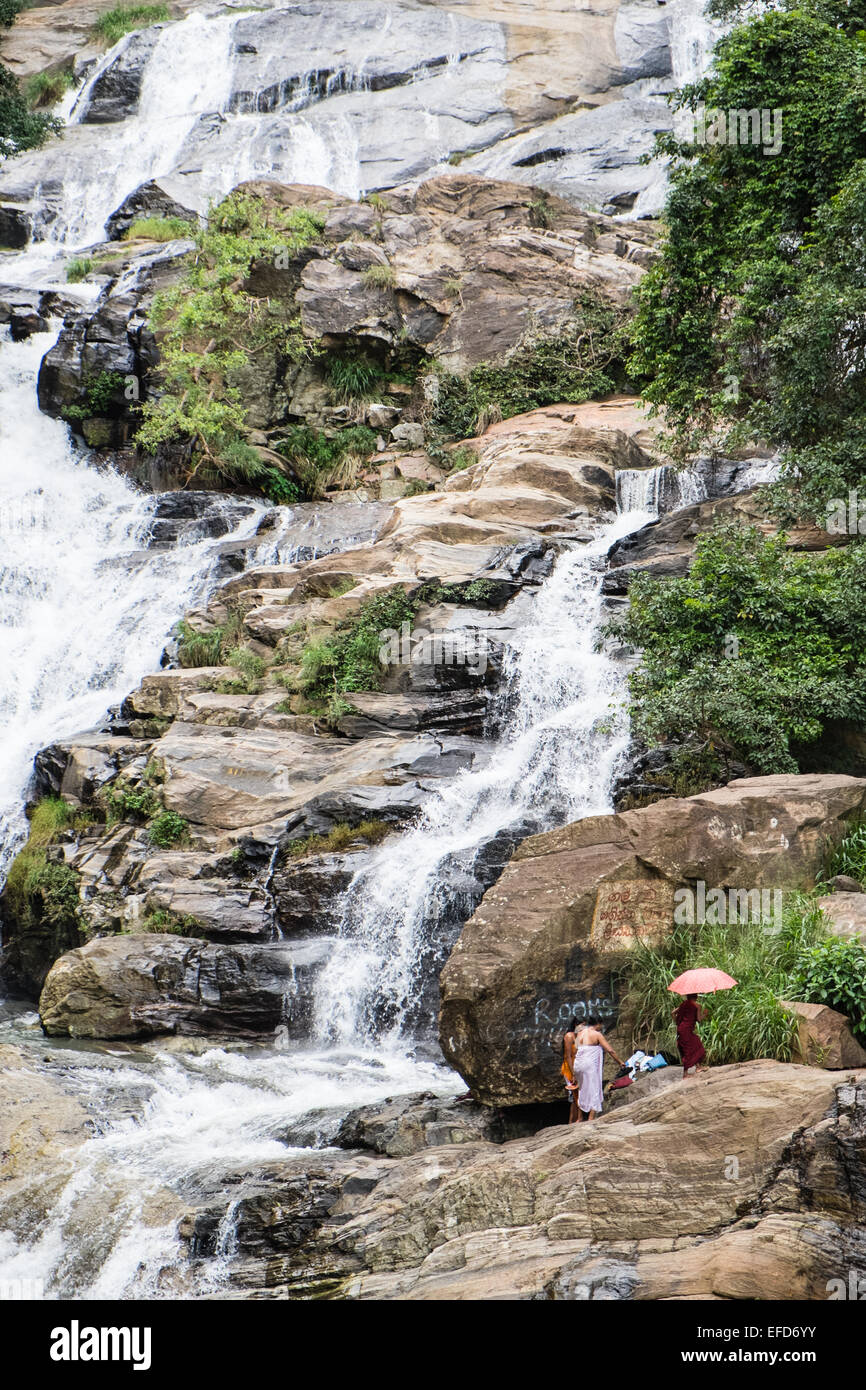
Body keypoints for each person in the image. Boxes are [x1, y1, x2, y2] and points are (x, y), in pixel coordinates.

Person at [565, 1018, 625, 1122]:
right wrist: (620, 1062)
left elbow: (579, 1051)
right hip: (589, 1065)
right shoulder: (596, 1034)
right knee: (595, 1089)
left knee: (582, 1090)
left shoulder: (579, 1034)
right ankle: (590, 1119)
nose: (601, 1028)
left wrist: (574, 1073)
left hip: (578, 1065)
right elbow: (610, 1050)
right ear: (598, 1024)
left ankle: (579, 1119)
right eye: (601, 1025)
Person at [673, 993, 707, 1079]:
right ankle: (685, 1074)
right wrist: (705, 1014)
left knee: (696, 1044)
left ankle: (698, 1067)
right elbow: (699, 1020)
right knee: (688, 1050)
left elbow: (672, 1013)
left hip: (682, 1029)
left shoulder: (683, 1004)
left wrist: (677, 1022)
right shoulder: (697, 1006)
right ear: (696, 996)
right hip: (686, 1031)